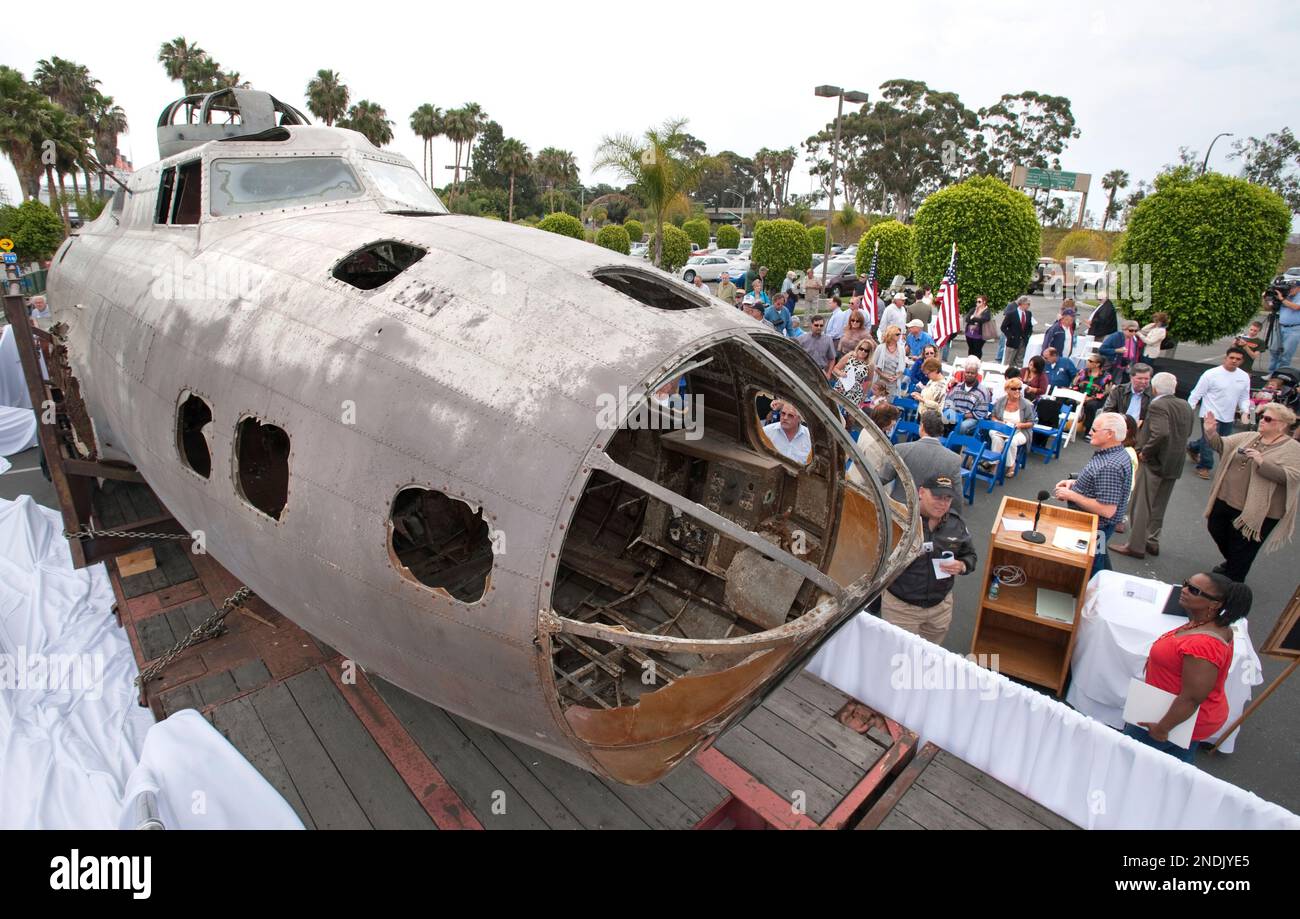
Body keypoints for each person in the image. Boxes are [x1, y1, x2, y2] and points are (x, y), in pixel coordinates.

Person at [1122, 573, 1251, 764]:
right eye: (1186, 584)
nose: (1183, 590)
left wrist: (1162, 728)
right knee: (1172, 769)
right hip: (1176, 713)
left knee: (1131, 761)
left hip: (1173, 719)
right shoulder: (1208, 624)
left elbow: (1192, 698)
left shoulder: (1203, 646)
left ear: (1214, 604)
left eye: (1194, 590)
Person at [1200, 403, 1300, 581]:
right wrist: (1210, 432)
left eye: (1268, 419)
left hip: (1260, 511)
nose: (1262, 420)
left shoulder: (1293, 448)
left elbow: (1292, 476)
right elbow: (1222, 444)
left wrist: (1262, 462)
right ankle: (1234, 564)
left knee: (1243, 548)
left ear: (1282, 425)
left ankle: (1233, 585)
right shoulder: (1251, 436)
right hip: (1226, 499)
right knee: (1215, 527)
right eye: (1262, 416)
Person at [880, 473, 976, 644]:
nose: (942, 503)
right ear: (921, 492)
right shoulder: (901, 520)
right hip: (901, 609)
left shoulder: (956, 524)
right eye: (937, 496)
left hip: (940, 609)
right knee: (896, 658)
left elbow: (970, 556)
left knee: (928, 659)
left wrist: (961, 565)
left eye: (947, 498)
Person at [1112, 372, 1195, 559]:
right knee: (1159, 505)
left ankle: (1135, 545)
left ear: (1155, 388)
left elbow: (1160, 433)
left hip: (1155, 462)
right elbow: (1187, 432)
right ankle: (1152, 540)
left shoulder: (1158, 404)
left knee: (1142, 505)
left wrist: (1145, 452)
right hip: (1174, 463)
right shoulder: (1186, 405)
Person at [1053, 412, 1132, 574]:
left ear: (1110, 434)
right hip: (1097, 528)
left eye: (1094, 430)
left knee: (1090, 570)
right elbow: (1101, 484)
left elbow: (1107, 510)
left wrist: (1071, 495)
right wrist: (1075, 483)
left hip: (1096, 528)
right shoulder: (1112, 453)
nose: (1089, 432)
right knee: (1100, 561)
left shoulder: (1111, 465)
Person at [1187, 347, 1252, 479]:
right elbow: (1197, 393)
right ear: (1225, 358)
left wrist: (1246, 411)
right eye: (1231, 358)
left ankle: (1193, 447)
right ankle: (1205, 466)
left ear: (1242, 361)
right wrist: (1190, 408)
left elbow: (1244, 397)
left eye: (1238, 359)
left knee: (1220, 442)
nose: (1234, 361)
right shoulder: (1211, 374)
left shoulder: (1244, 377)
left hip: (1228, 416)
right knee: (1208, 442)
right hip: (1209, 414)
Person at [879, 410, 962, 502]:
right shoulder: (954, 459)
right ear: (941, 431)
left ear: (922, 427)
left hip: (900, 509)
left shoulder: (900, 449)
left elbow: (882, 478)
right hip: (931, 512)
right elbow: (957, 496)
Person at [987, 378, 1036, 475]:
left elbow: (1031, 422)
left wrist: (1020, 425)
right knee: (996, 437)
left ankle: (1011, 465)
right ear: (1007, 390)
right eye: (1014, 388)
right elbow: (993, 416)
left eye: (1019, 388)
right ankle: (994, 463)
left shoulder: (1026, 404)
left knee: (1011, 442)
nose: (1017, 391)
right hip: (1003, 429)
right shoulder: (1001, 401)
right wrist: (999, 422)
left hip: (1020, 431)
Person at [1071, 353, 1115, 434]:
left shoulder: (1106, 377)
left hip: (1096, 399)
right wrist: (1079, 396)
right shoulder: (1083, 372)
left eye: (1090, 361)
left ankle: (1088, 430)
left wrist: (1089, 398)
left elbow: (1105, 392)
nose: (1087, 362)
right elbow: (1075, 385)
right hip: (1080, 396)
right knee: (1070, 402)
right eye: (1088, 360)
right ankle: (1070, 425)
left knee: (1090, 406)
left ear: (1097, 364)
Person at [943, 365, 992, 435]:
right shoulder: (957, 387)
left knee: (962, 426)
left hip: (973, 419)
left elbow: (981, 413)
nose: (969, 374)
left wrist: (962, 416)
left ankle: (954, 445)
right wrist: (952, 413)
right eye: (967, 372)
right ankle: (942, 442)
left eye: (972, 373)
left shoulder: (983, 392)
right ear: (964, 373)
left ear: (976, 375)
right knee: (941, 419)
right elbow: (948, 402)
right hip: (956, 414)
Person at [832, 339, 875, 408]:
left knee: (849, 415)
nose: (863, 351)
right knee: (834, 408)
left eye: (866, 350)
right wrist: (841, 373)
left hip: (855, 393)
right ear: (858, 348)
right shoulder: (850, 356)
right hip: (841, 388)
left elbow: (869, 381)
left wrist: (864, 395)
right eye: (861, 349)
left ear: (869, 353)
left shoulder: (870, 364)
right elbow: (835, 368)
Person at [1271, 281, 1300, 372]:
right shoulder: (1286, 296)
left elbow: (1296, 307)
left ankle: (1279, 375)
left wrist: (1281, 299)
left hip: (1294, 329)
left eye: (1293, 287)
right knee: (1274, 350)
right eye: (1290, 287)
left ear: (1299, 288)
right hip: (1280, 327)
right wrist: (1267, 298)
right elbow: (1269, 307)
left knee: (1286, 354)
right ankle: (1272, 372)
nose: (1290, 289)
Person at [799, 314, 839, 379]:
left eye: (821, 325)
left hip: (821, 372)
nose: (819, 327)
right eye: (816, 325)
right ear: (811, 325)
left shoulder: (828, 339)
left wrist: (828, 373)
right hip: (805, 372)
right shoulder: (802, 339)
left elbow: (832, 359)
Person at [1000, 296, 1035, 369]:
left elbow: (1030, 326)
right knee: (1008, 362)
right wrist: (1010, 336)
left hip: (1023, 341)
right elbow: (1003, 327)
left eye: (1029, 304)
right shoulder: (1011, 314)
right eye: (1027, 304)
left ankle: (1018, 376)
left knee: (1019, 361)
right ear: (1021, 304)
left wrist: (1028, 335)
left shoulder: (1028, 313)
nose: (1029, 306)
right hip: (1012, 342)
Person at [874, 326, 906, 396]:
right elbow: (873, 365)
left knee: (891, 404)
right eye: (897, 334)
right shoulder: (880, 347)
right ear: (891, 334)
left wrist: (897, 376)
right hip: (880, 381)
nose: (900, 336)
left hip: (894, 382)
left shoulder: (901, 349)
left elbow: (902, 366)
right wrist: (884, 375)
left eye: (900, 334)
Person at [963, 295, 995, 360]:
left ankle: (977, 363)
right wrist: (975, 319)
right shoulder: (973, 309)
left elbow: (984, 319)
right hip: (969, 334)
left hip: (979, 335)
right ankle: (970, 362)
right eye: (977, 301)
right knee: (971, 349)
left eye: (979, 301)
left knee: (977, 350)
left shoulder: (987, 311)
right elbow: (967, 319)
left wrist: (973, 318)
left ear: (984, 302)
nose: (977, 303)